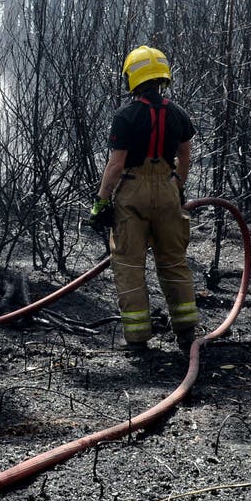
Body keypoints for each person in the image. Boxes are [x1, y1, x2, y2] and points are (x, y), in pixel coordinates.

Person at [89, 45, 199, 352]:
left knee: (128, 264)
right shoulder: (178, 113)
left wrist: (101, 201)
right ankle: (187, 333)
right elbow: (186, 154)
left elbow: (116, 163)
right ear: (162, 77)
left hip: (133, 190)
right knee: (174, 261)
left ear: (132, 78)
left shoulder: (126, 115)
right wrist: (177, 183)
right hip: (167, 190)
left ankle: (138, 340)